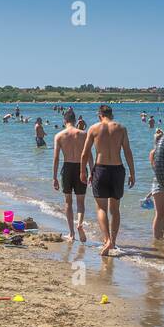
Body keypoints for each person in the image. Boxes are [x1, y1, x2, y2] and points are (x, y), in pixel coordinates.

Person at [79, 104, 134, 256]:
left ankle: (107, 239)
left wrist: (83, 171)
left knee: (101, 208)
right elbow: (128, 152)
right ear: (112, 115)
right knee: (115, 209)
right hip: (117, 169)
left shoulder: (94, 128)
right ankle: (113, 242)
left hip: (101, 170)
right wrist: (132, 173)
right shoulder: (121, 128)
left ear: (99, 115)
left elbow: (85, 154)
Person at [52, 110, 90, 242]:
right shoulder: (84, 134)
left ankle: (72, 233)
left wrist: (55, 177)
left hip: (67, 168)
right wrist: (91, 171)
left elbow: (56, 158)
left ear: (64, 121)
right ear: (75, 120)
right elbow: (89, 155)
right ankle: (79, 224)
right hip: (81, 168)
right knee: (80, 202)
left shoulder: (59, 135)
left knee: (68, 202)